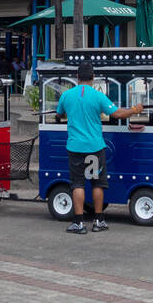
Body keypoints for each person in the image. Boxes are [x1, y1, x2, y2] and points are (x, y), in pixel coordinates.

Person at [57, 62, 144, 234]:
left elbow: (60, 114)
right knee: (97, 183)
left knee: (78, 184)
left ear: (77, 76)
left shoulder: (66, 96)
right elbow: (117, 113)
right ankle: (98, 220)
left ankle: (79, 223)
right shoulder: (98, 96)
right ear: (93, 76)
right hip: (95, 148)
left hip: (75, 148)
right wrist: (135, 109)